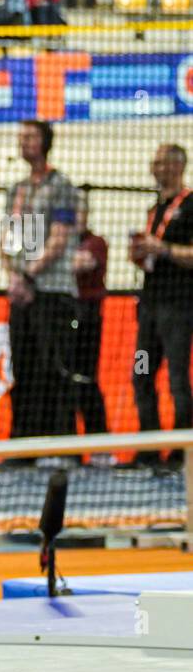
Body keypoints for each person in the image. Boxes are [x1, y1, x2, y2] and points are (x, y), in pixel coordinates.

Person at [0, 121, 80, 451]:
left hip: (53, 291)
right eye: (20, 138)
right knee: (23, 368)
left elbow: (59, 240)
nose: (23, 143)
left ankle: (60, 446)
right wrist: (15, 278)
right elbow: (6, 240)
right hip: (22, 295)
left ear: (45, 142)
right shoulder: (16, 191)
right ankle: (22, 447)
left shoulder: (61, 185)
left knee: (54, 367)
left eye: (30, 137)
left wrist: (30, 276)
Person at [129, 144, 193, 467]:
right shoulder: (155, 208)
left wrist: (164, 248)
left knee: (177, 378)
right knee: (141, 373)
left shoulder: (190, 204)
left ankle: (182, 453)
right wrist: (142, 255)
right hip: (149, 309)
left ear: (175, 166)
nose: (153, 167)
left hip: (178, 308)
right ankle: (149, 447)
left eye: (159, 162)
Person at [71, 195, 110, 445]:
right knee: (65, 381)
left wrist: (53, 257)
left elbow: (82, 264)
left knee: (86, 379)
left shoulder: (95, 243)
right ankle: (66, 445)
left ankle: (100, 442)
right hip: (62, 321)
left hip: (88, 321)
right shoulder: (61, 242)